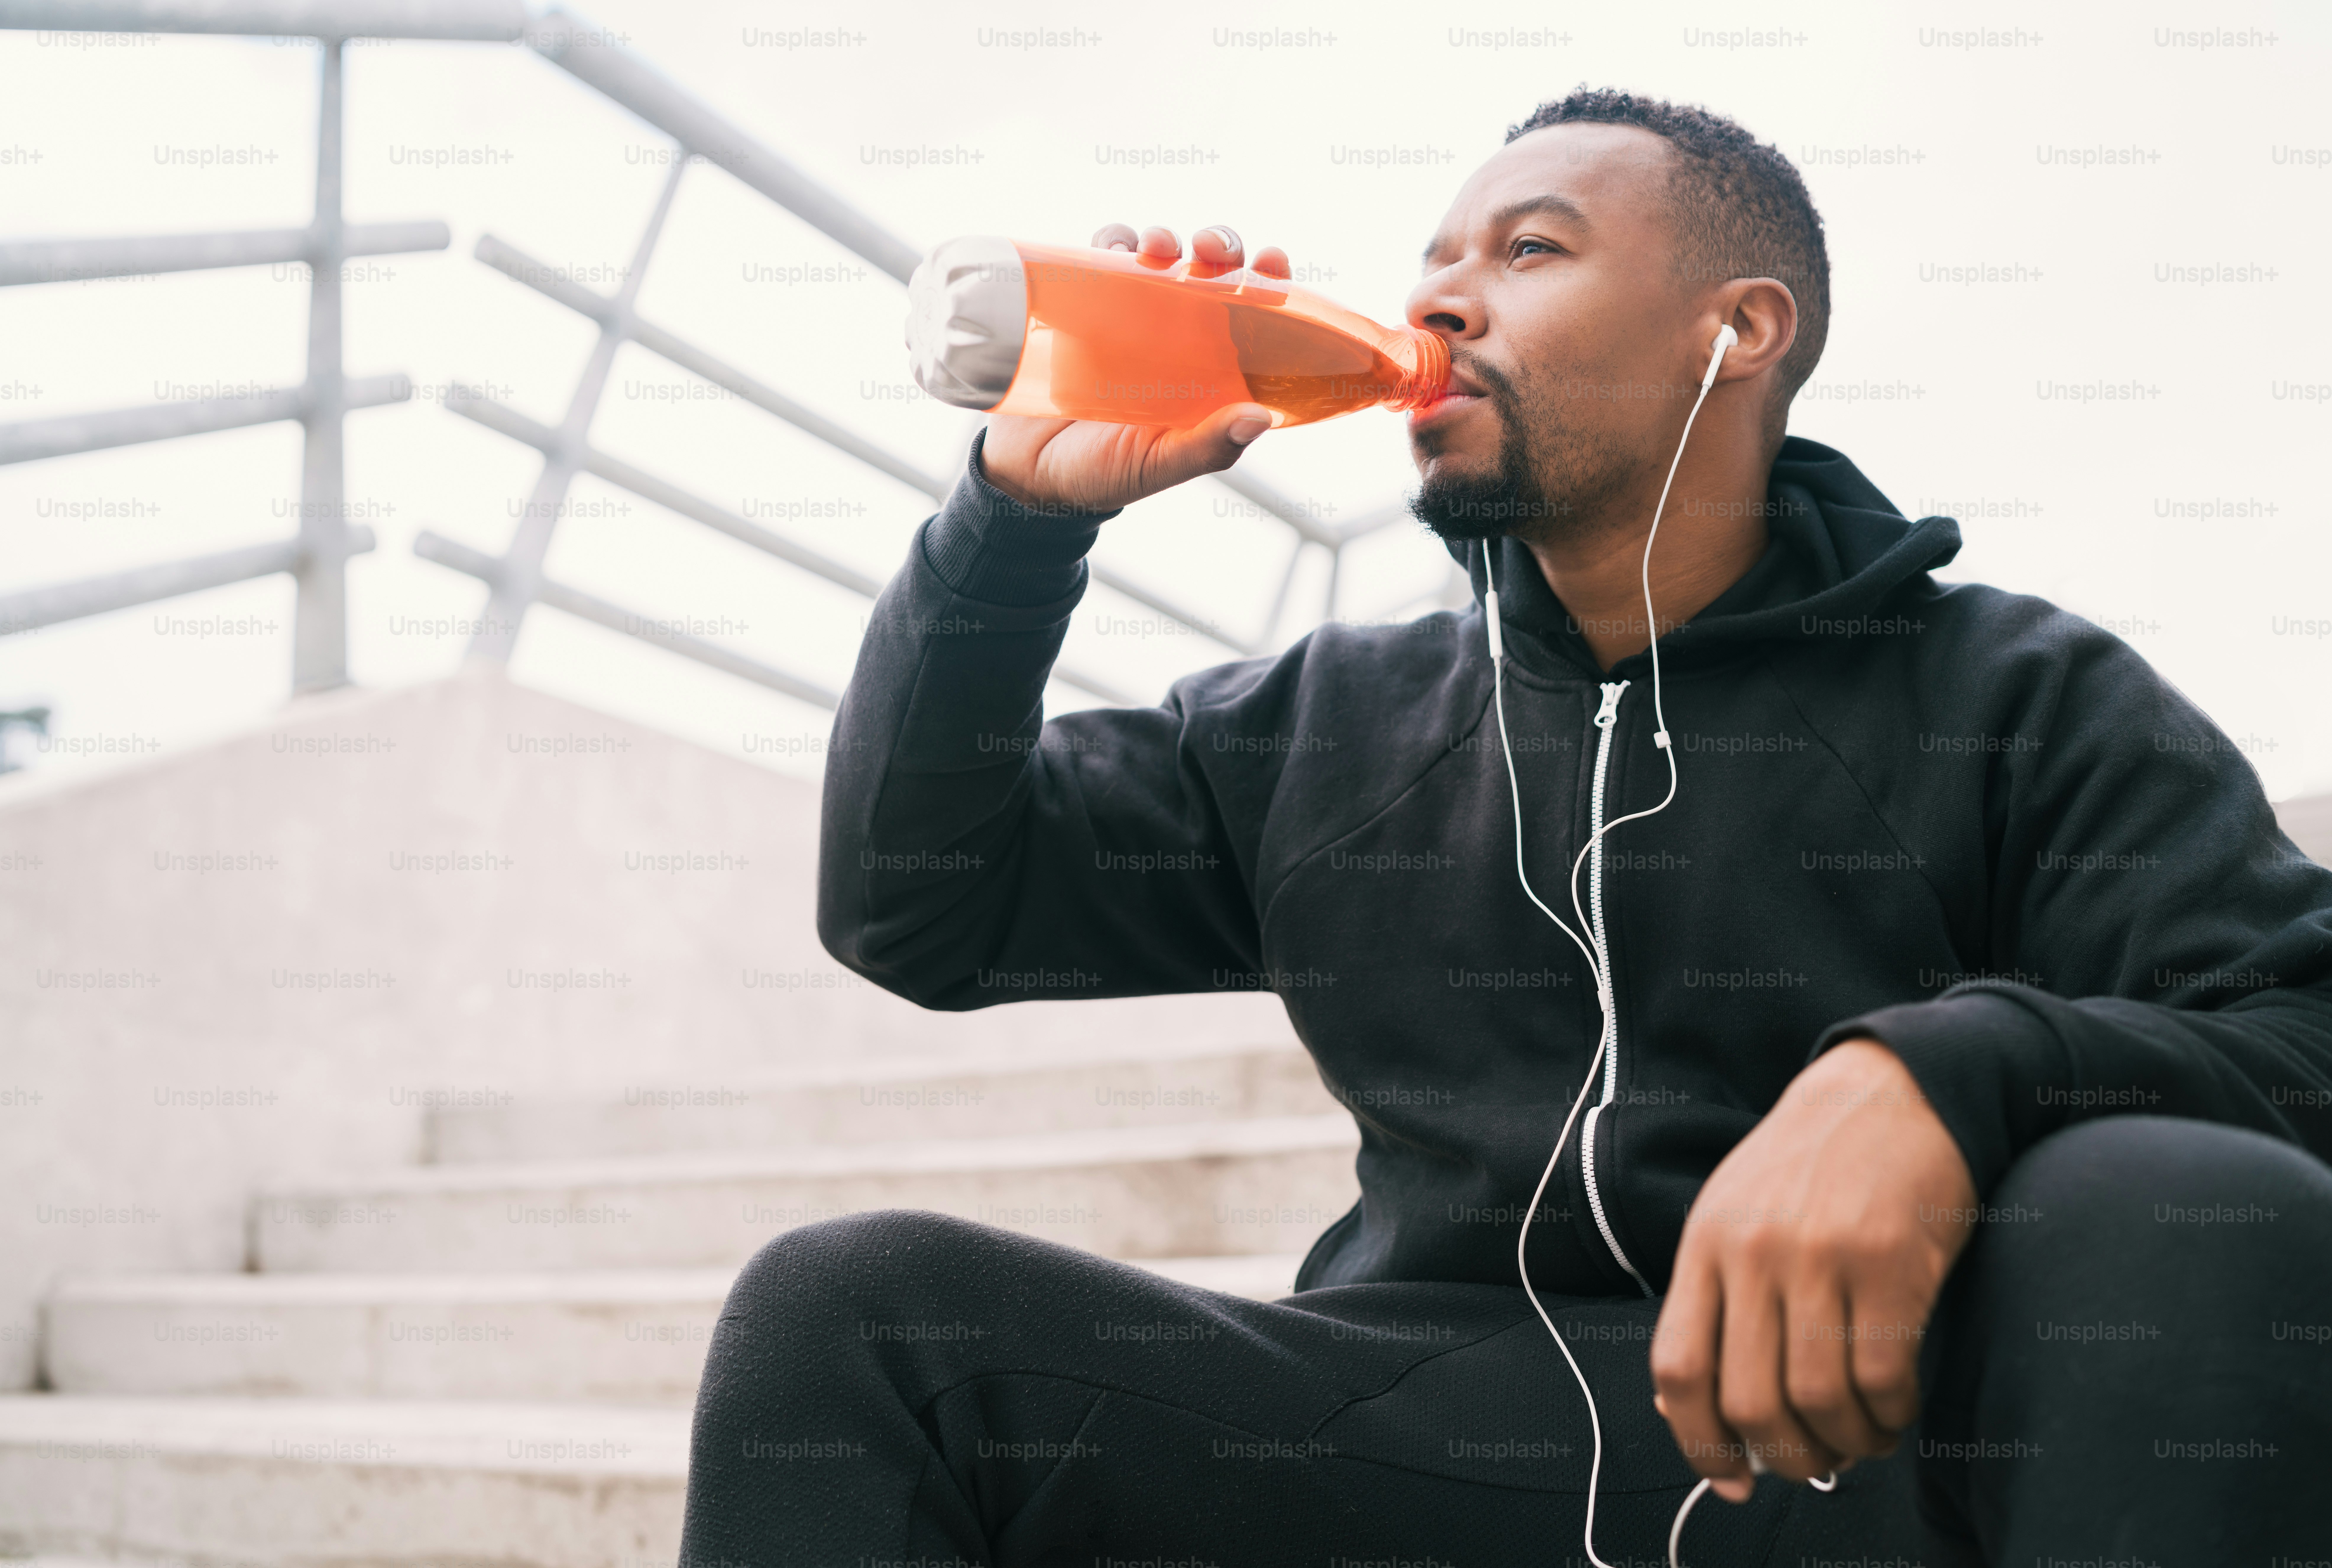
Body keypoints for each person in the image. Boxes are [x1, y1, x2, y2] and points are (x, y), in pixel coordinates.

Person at [677, 87, 2332, 1567]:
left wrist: (1942, 1075)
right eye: (1434, 260)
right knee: (851, 1317)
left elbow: (2298, 1029)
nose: (1438, 301)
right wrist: (1016, 525)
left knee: (2180, 1205)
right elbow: (921, 903)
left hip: (1854, 1456)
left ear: (1733, 331)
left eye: (1531, 250)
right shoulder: (1327, 722)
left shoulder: (2013, 691)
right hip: (1420, 1440)